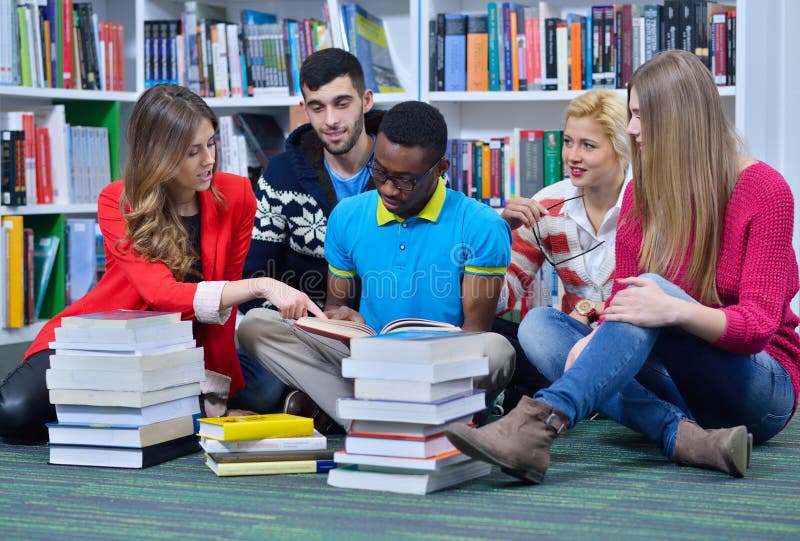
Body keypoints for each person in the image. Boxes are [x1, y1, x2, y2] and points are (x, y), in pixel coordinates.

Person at [445, 49, 799, 482]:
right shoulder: (641, 195)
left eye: (640, 116)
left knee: (649, 290)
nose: (631, 129)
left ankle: (539, 423)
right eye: (630, 114)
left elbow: (759, 327)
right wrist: (595, 341)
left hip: (760, 392)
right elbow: (621, 306)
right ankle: (687, 438)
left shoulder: (766, 191)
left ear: (681, 119)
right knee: (539, 325)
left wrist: (677, 311)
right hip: (682, 388)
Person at [0, 84, 321, 443]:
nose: (209, 160)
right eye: (192, 152)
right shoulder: (119, 201)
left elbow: (222, 314)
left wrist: (216, 399)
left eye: (212, 143)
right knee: (15, 413)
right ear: (159, 155)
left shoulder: (237, 194)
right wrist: (263, 285)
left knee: (249, 393)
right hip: (110, 342)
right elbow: (161, 292)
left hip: (180, 350)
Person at [238, 101, 516, 433]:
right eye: (380, 171)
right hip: (367, 361)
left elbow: (475, 334)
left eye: (405, 180)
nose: (387, 188)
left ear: (442, 168)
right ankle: (418, 420)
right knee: (256, 325)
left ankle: (357, 413)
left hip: (437, 367)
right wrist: (344, 320)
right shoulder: (348, 215)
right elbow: (335, 307)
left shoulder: (482, 225)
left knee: (497, 351)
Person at [232, 48, 382, 413]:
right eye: (317, 107)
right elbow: (255, 278)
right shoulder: (280, 174)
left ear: (366, 101)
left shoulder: (404, 164)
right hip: (310, 330)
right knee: (254, 325)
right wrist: (311, 316)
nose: (330, 119)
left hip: (384, 327)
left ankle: (322, 402)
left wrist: (362, 318)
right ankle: (364, 401)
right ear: (304, 107)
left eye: (342, 103)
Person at [495, 89, 632, 409]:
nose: (572, 156)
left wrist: (591, 314)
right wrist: (499, 233)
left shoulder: (649, 207)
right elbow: (501, 299)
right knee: (514, 329)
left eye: (588, 145)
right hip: (567, 342)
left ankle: (571, 397)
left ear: (620, 149)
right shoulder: (547, 207)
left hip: (631, 346)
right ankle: (593, 398)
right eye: (568, 141)